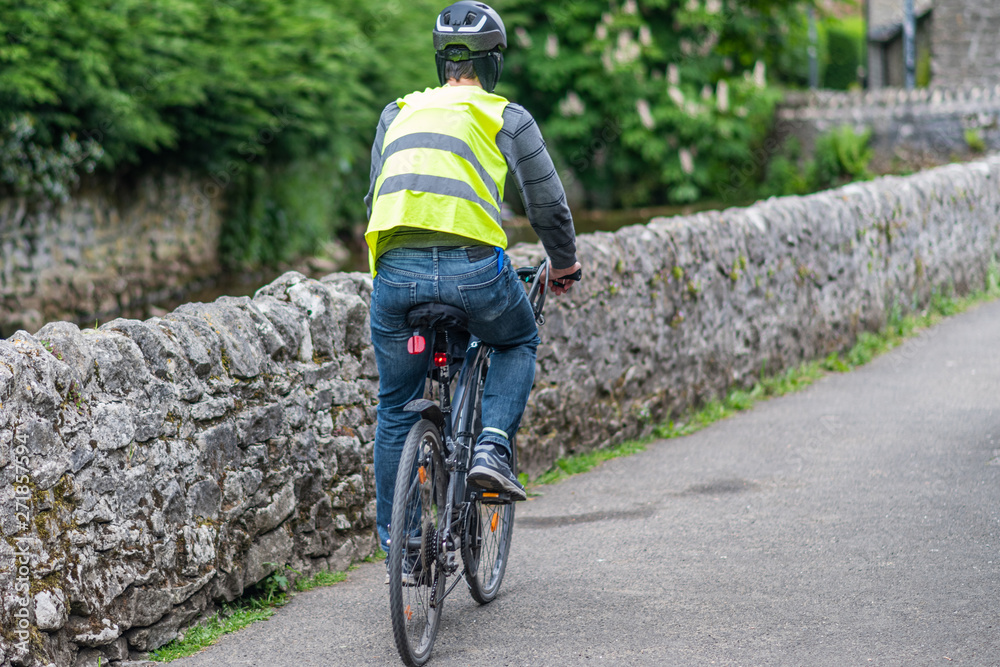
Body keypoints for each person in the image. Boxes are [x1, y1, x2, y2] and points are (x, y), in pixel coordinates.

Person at [364, 0, 581, 558]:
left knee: (395, 406)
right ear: (495, 62)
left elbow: (374, 197)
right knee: (517, 338)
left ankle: (402, 544)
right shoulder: (506, 117)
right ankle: (489, 448)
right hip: (475, 274)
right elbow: (548, 207)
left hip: (397, 278)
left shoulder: (396, 112)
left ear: (442, 62)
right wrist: (563, 264)